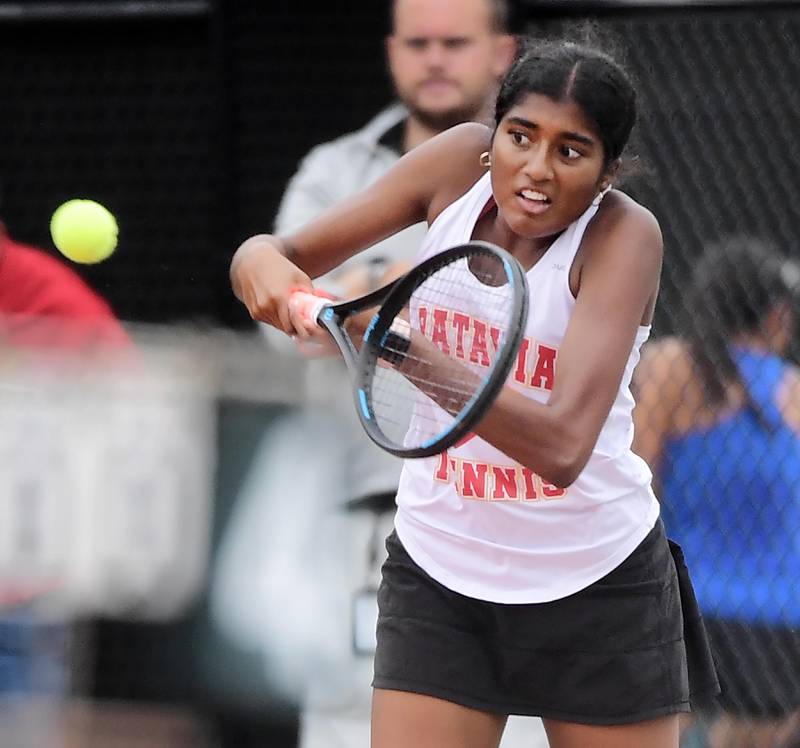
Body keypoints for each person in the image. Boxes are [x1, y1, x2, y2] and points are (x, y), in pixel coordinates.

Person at [230, 35, 720, 748]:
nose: (537, 170)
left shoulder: (623, 236)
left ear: (609, 171)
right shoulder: (458, 163)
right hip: (438, 576)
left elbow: (561, 446)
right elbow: (277, 253)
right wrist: (261, 264)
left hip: (596, 586)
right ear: (494, 137)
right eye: (521, 137)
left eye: (571, 151)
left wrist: (398, 345)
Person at [632, 237, 800, 748]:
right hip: (778, 620)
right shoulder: (793, 389)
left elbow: (638, 483)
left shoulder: (673, 369)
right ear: (776, 317)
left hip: (683, 605)